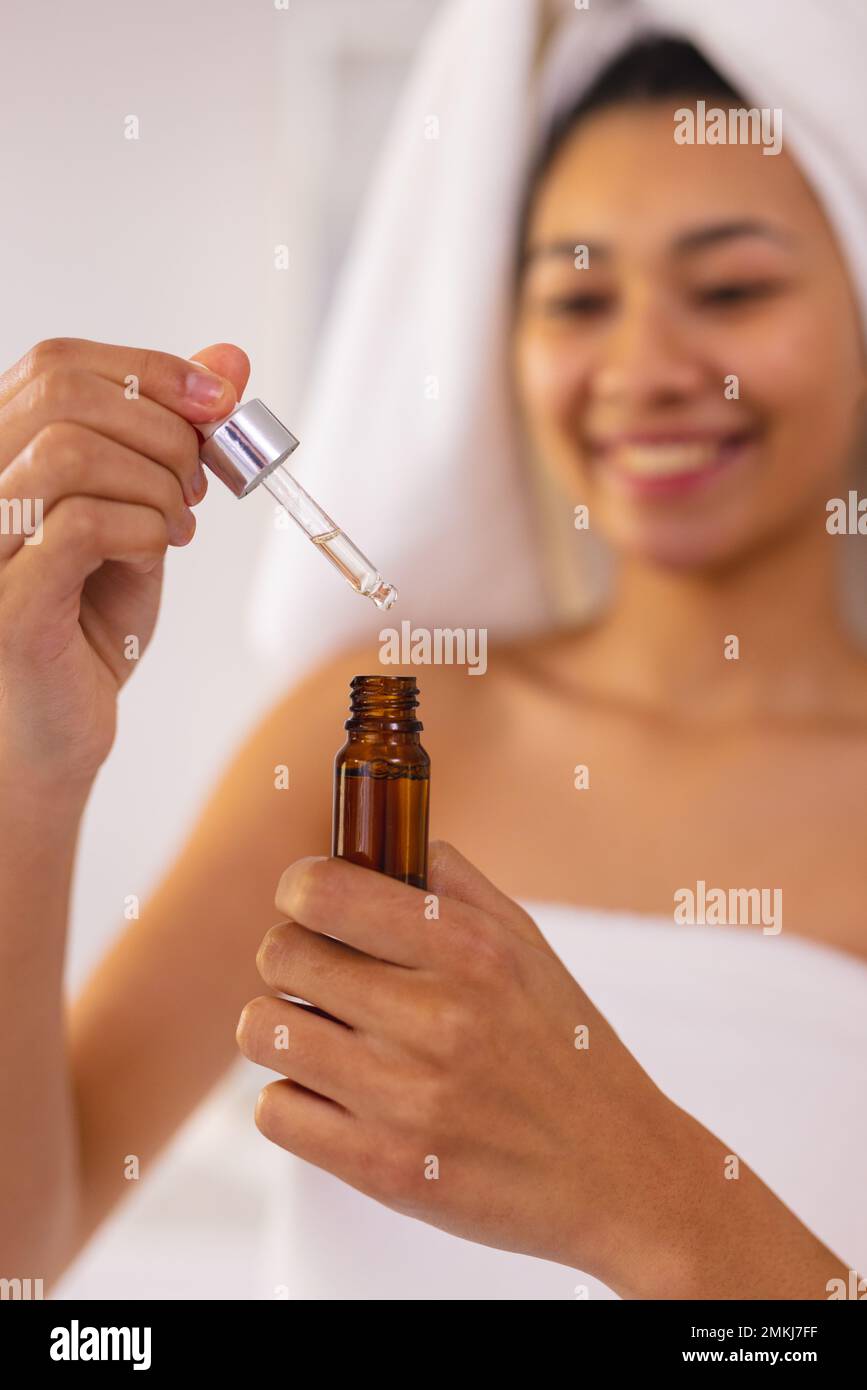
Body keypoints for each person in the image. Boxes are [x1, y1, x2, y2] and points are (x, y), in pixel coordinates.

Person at [1, 28, 865, 1300]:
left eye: (731, 290)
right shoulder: (369, 732)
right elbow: (19, 1254)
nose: (644, 370)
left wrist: (637, 1189)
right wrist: (29, 768)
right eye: (576, 298)